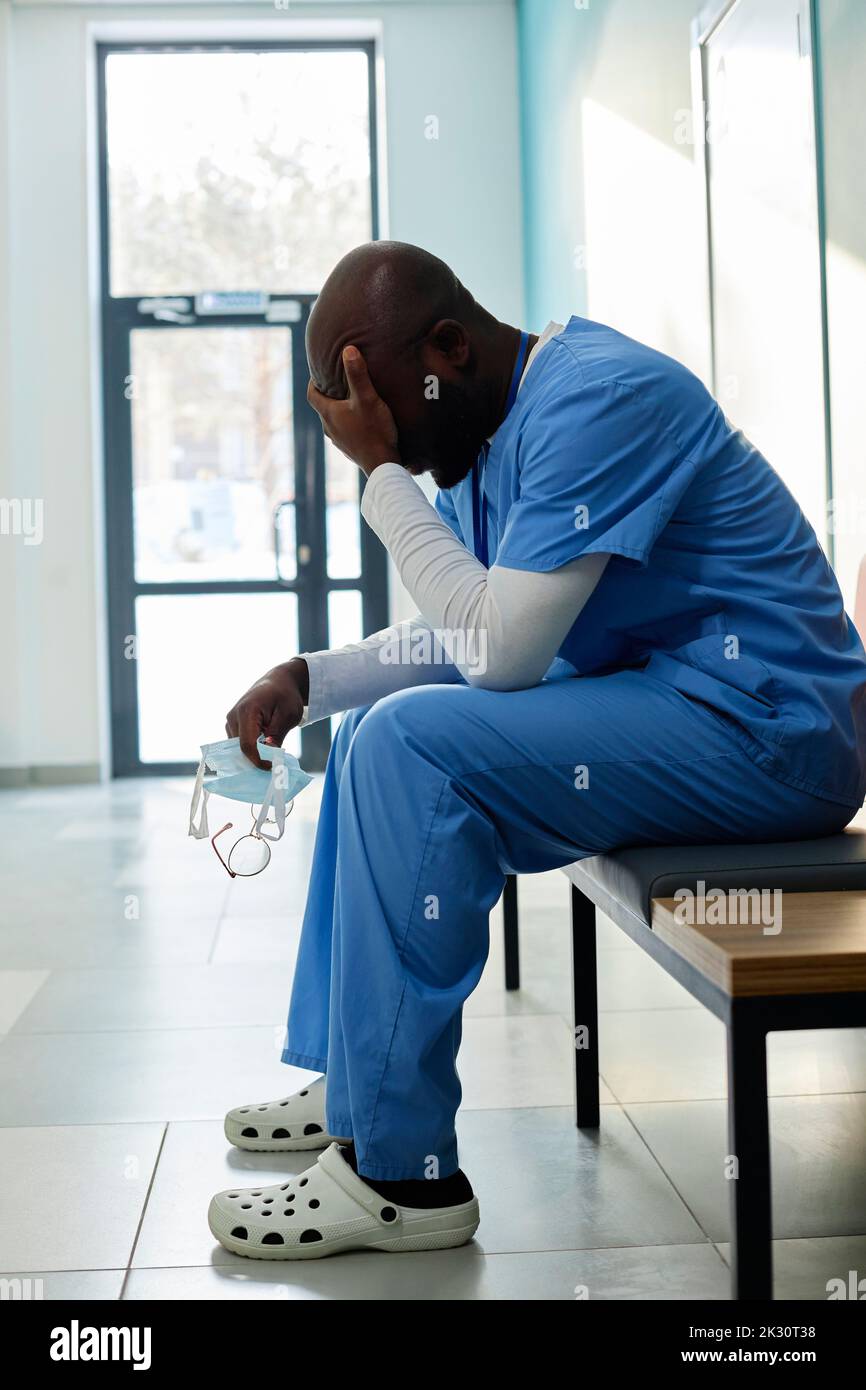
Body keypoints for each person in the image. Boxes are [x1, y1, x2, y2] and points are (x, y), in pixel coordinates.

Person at [207, 241, 866, 1261]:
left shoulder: (597, 399)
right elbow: (484, 623)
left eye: (400, 420)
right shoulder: (485, 430)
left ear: (449, 348)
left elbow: (500, 653)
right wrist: (309, 680)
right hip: (674, 697)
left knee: (408, 749)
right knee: (370, 740)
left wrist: (380, 476)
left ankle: (401, 1179)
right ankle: (358, 1070)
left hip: (772, 730)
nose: (409, 455)